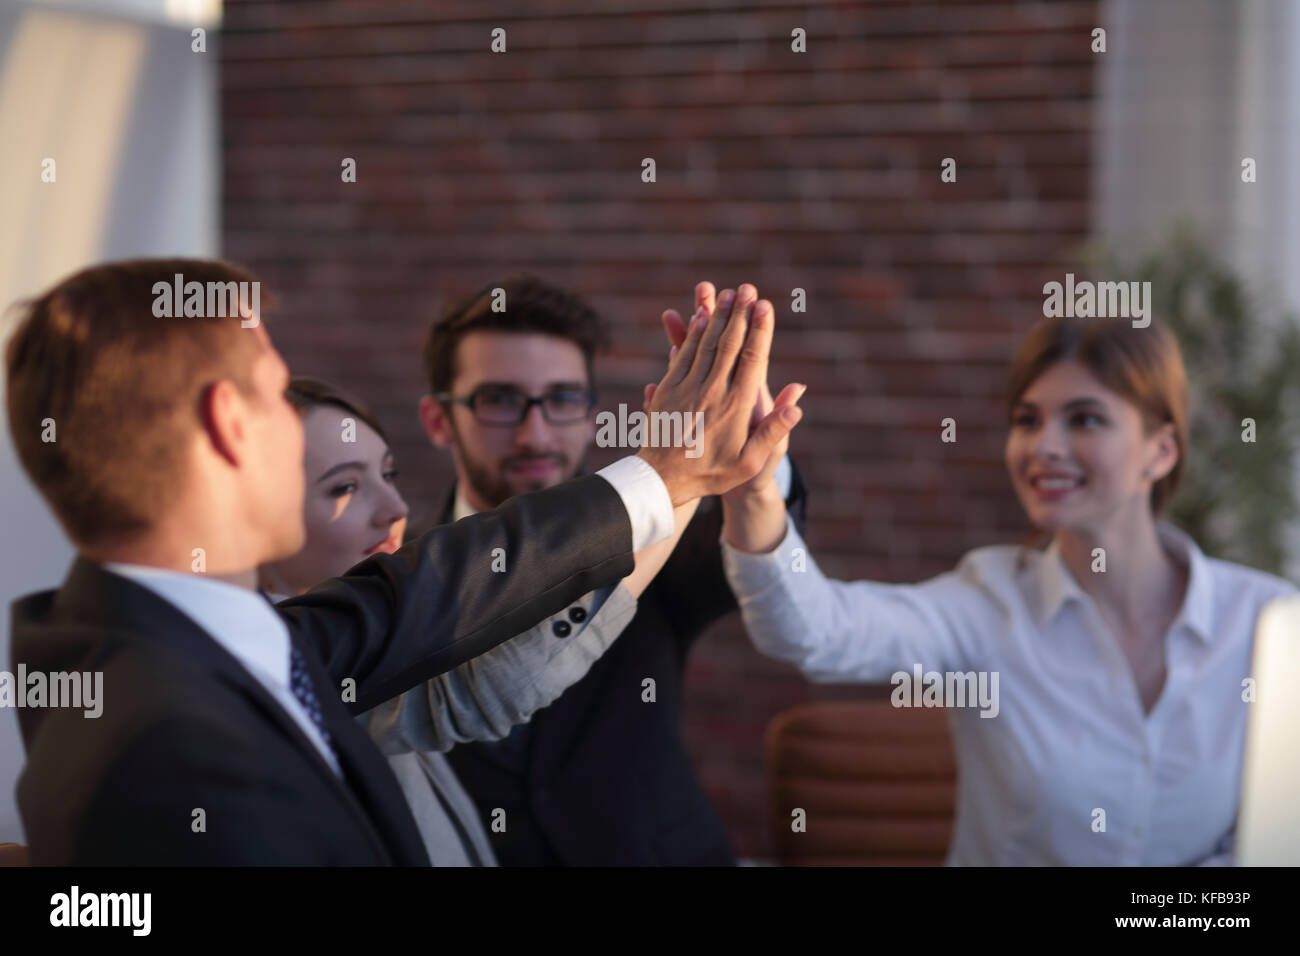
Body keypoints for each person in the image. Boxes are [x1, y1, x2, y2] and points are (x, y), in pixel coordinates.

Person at [5, 257, 801, 864]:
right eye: (280, 395)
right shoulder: (175, 757)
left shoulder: (190, 643)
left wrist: (675, 471)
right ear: (229, 424)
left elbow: (419, 597)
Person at [714, 315, 1296, 866]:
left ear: (1161, 451)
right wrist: (756, 494)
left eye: (1084, 419)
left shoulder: (1267, 623)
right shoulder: (986, 604)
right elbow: (816, 633)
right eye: (1027, 420)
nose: (1045, 446)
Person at [398, 277, 806, 865]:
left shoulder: (657, 536)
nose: (534, 434)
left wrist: (754, 485)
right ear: (439, 421)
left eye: (562, 399)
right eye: (499, 400)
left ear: (591, 415)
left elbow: (751, 570)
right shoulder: (397, 578)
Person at [258, 378, 701, 865]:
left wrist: (689, 474)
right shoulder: (277, 668)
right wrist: (681, 474)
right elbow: (487, 680)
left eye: (389, 474)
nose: (395, 509)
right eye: (345, 487)